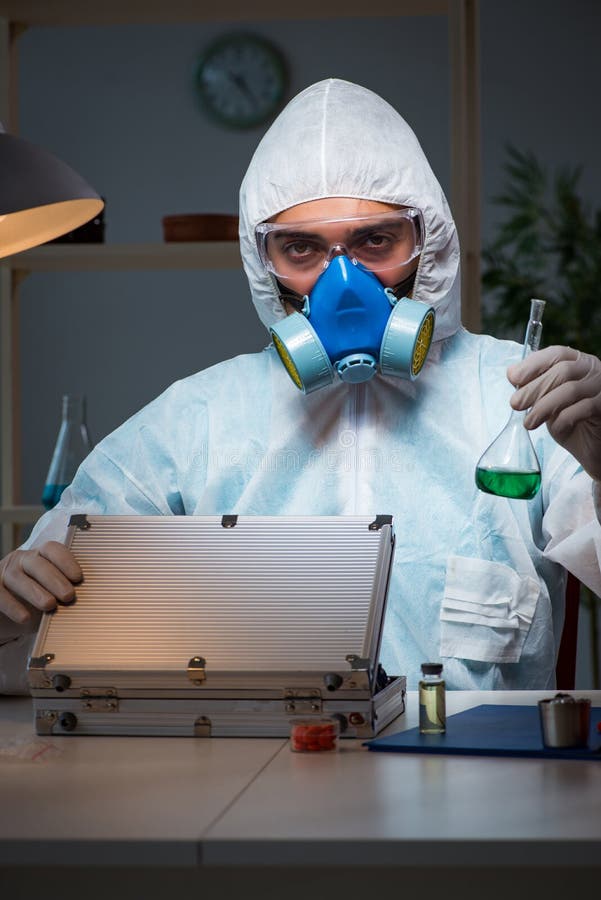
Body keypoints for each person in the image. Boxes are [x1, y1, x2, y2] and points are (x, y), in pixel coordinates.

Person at [1, 78, 601, 694]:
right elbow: (45, 621)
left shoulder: (526, 397)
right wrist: (7, 605)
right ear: (265, 266)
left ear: (428, 242)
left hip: (477, 777)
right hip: (254, 769)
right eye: (301, 249)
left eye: (374, 240)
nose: (342, 282)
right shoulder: (199, 417)